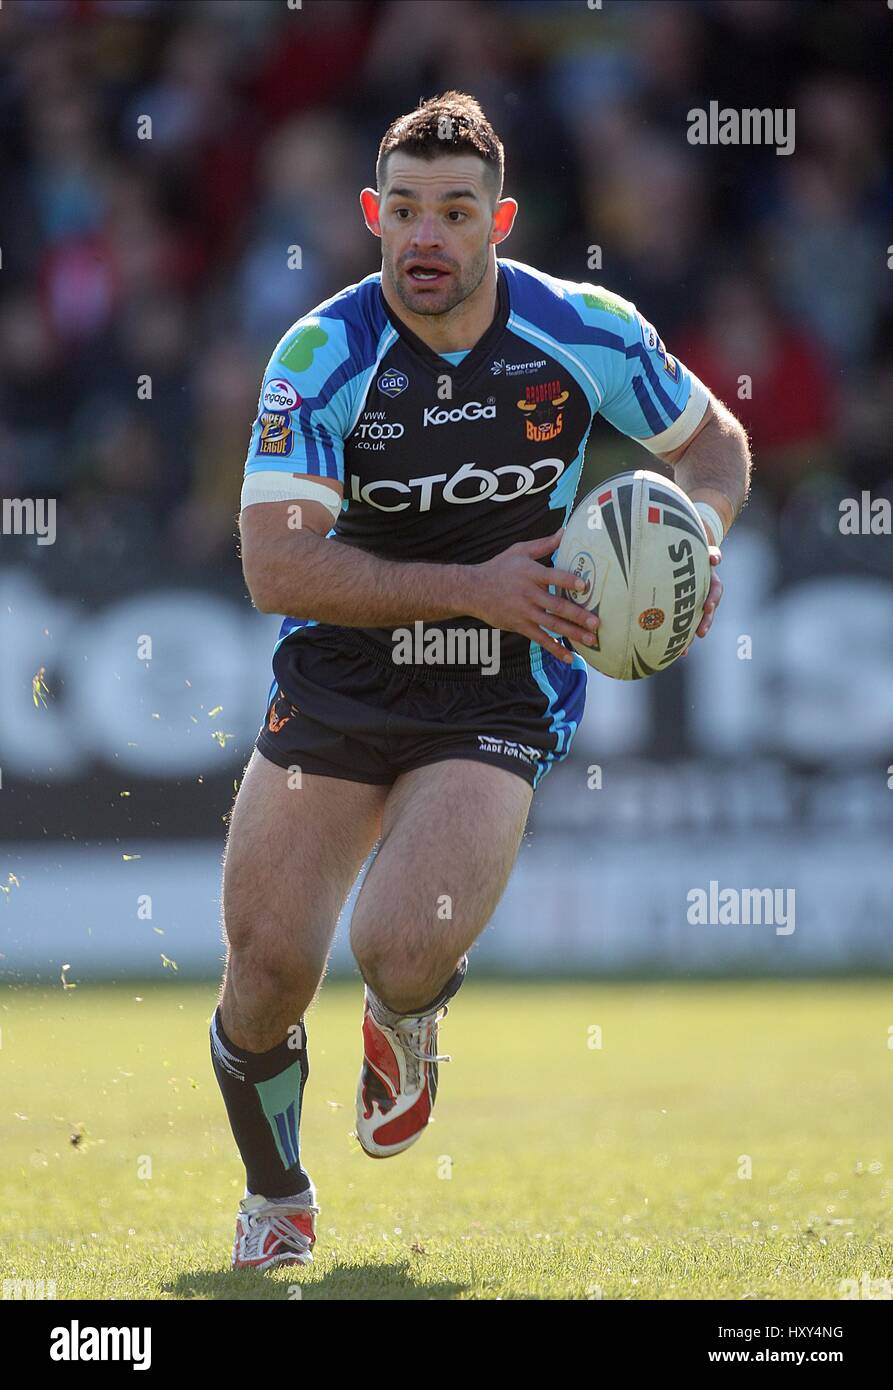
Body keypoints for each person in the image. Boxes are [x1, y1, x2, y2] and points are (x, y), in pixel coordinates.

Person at [210, 91, 751, 1271]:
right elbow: (273, 562)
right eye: (402, 210)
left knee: (398, 946)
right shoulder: (321, 352)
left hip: (502, 680)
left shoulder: (584, 328)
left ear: (497, 220)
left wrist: (697, 535)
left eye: (454, 212)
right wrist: (471, 583)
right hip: (342, 672)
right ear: (370, 214)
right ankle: (277, 1194)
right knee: (266, 969)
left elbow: (714, 444)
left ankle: (406, 1015)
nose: (425, 237)